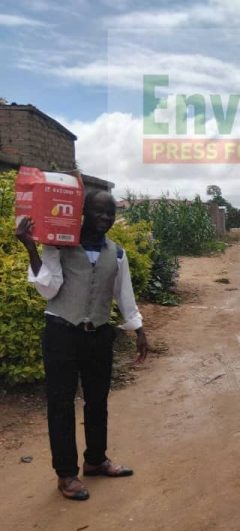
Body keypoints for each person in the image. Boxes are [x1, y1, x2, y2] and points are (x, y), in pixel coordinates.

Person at [15, 190, 148, 501]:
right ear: (84, 213)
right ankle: (66, 474)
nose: (105, 218)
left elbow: (123, 295)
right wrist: (30, 247)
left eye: (110, 214)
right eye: (99, 212)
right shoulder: (59, 245)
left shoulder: (116, 253)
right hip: (62, 333)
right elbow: (48, 290)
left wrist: (138, 329)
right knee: (61, 406)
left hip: (99, 334)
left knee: (97, 400)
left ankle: (96, 459)